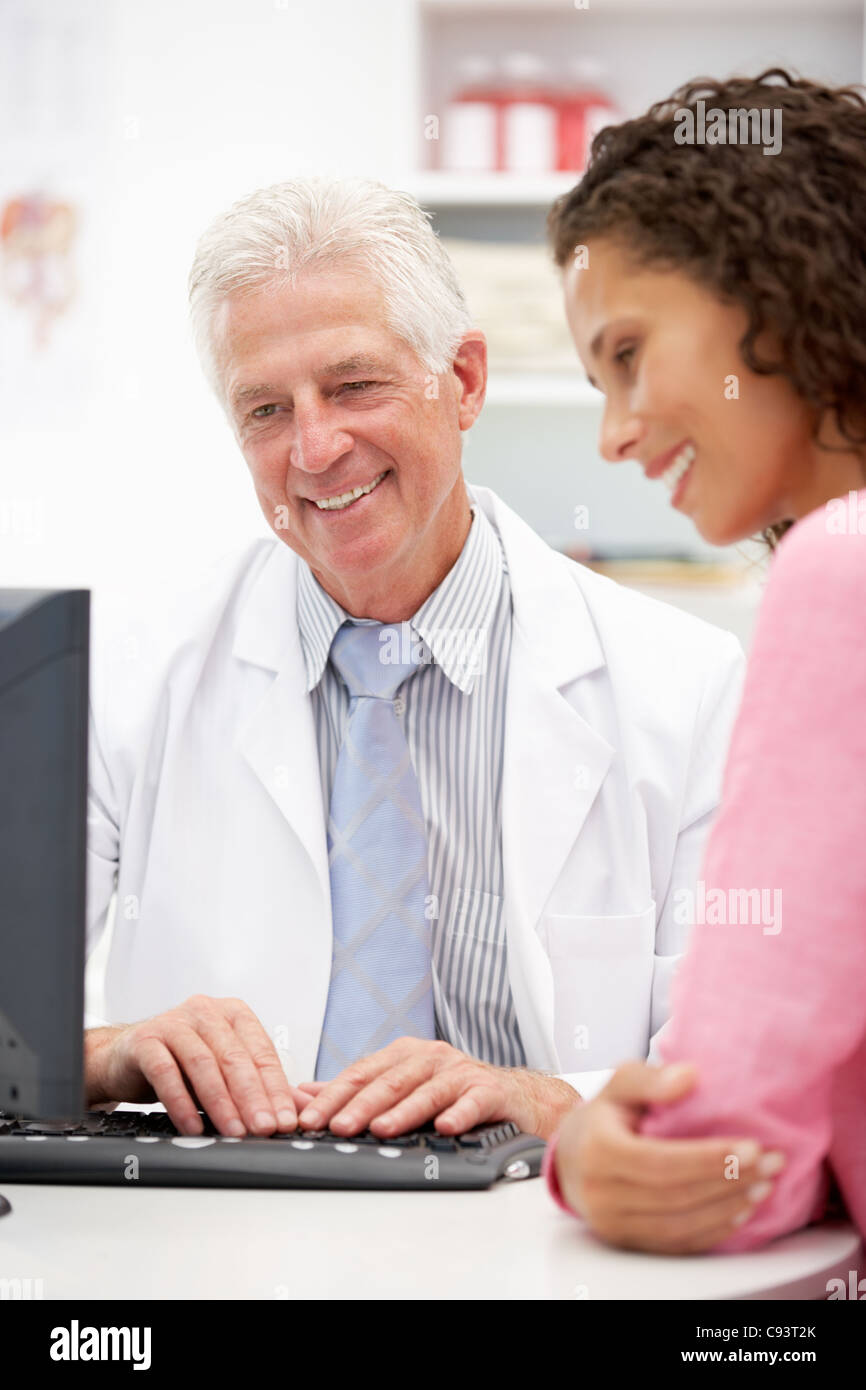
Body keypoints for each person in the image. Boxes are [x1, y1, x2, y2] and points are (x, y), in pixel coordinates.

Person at [83, 176, 749, 1153]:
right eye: (265, 410)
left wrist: (543, 1096)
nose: (314, 448)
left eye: (353, 386)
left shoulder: (685, 687)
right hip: (224, 1246)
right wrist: (108, 1052)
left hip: (542, 1245)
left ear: (464, 380)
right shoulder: (131, 675)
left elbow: (732, 1076)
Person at [544, 69, 866, 1252]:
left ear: (773, 289)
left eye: (627, 354)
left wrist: (579, 1147)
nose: (614, 433)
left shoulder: (840, 572)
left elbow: (721, 1159)